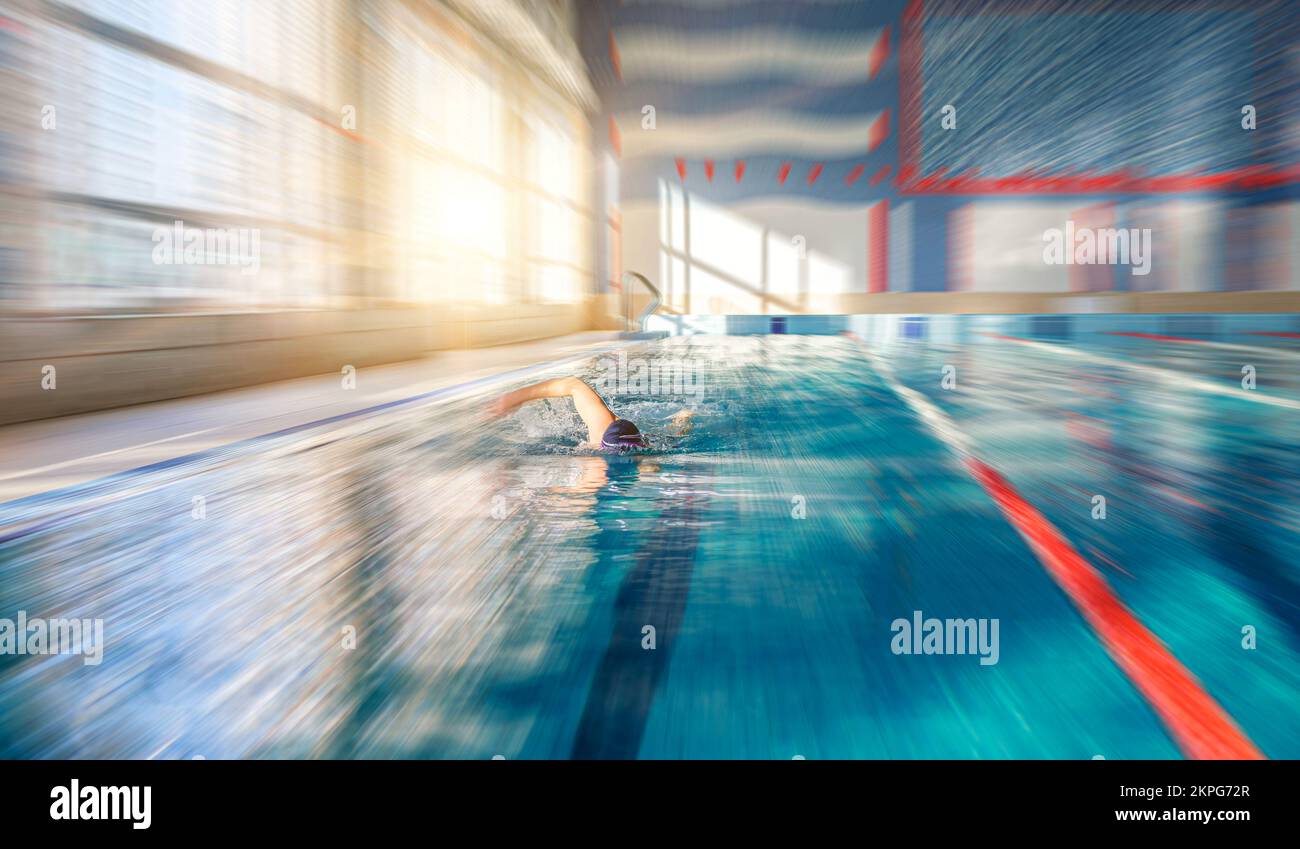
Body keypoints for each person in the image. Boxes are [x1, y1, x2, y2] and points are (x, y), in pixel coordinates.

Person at [490, 376, 651, 451]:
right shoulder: (603, 427)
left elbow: (574, 385)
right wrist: (513, 398)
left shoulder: (599, 466)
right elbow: (573, 385)